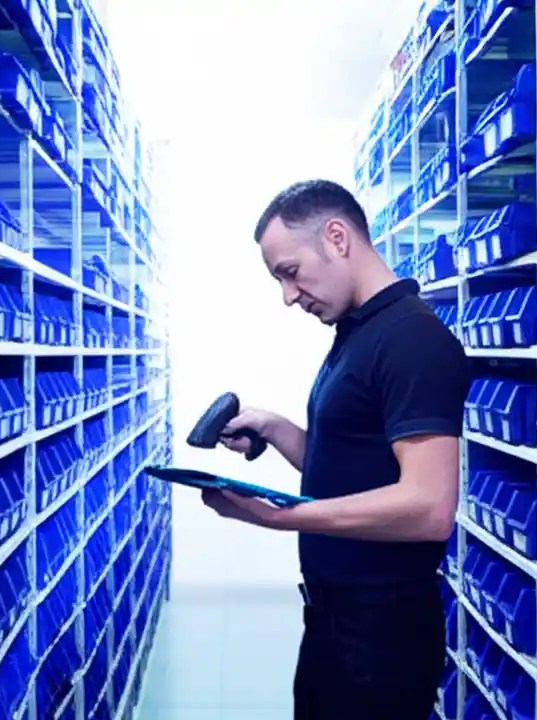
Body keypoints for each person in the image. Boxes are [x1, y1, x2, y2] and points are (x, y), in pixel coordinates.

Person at [200, 179, 469, 719]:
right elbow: (355, 469)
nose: (289, 296)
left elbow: (429, 508)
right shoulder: (357, 331)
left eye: (290, 273)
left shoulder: (413, 340)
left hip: (382, 634)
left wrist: (283, 518)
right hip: (333, 619)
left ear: (338, 237)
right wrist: (278, 430)